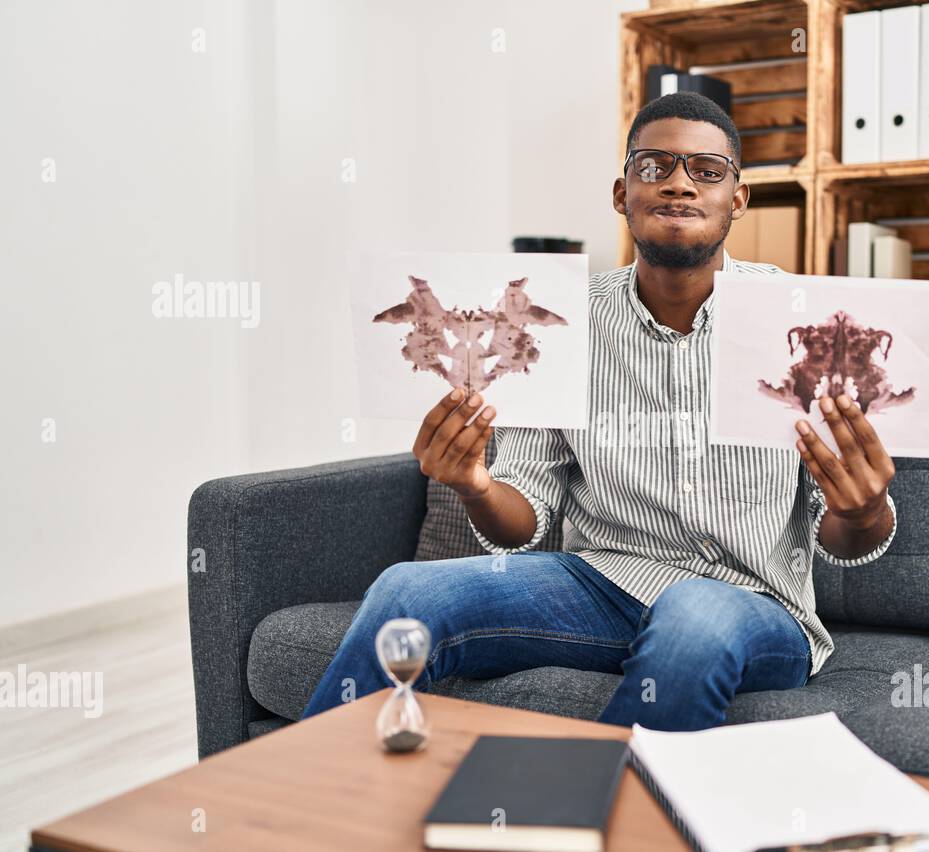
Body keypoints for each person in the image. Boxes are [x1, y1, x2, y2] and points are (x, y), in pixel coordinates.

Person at [300, 92, 897, 731]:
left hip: (752, 602)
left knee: (691, 615)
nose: (677, 185)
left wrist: (861, 510)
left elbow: (841, 539)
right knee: (405, 592)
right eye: (654, 167)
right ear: (622, 193)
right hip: (599, 585)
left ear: (738, 200)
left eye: (706, 170)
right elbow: (522, 523)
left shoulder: (801, 320)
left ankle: (595, 813)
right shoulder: (561, 322)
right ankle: (298, 807)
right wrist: (474, 486)